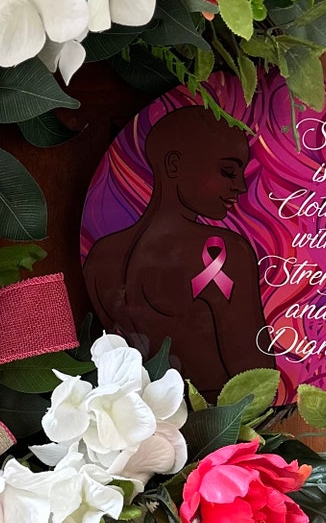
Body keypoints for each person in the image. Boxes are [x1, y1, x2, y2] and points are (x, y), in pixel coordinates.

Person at [83, 106, 271, 396]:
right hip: (216, 422)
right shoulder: (220, 253)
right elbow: (258, 382)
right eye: (228, 171)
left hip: (152, 416)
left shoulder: (100, 257)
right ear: (173, 165)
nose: (241, 186)